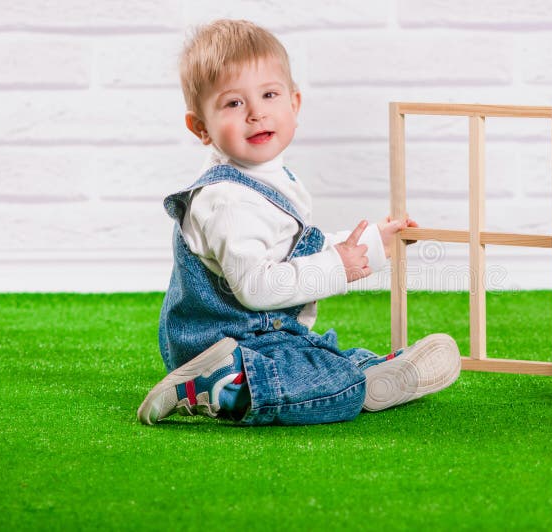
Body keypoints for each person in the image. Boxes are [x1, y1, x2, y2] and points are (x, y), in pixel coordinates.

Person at [137, 19, 461, 426]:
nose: (256, 113)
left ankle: (357, 370)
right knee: (335, 386)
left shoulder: (268, 181)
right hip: (225, 344)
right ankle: (221, 383)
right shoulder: (226, 200)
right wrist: (335, 268)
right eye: (234, 103)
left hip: (268, 336)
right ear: (201, 127)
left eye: (269, 94)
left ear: (294, 103)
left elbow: (291, 249)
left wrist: (374, 244)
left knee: (318, 355)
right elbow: (256, 286)